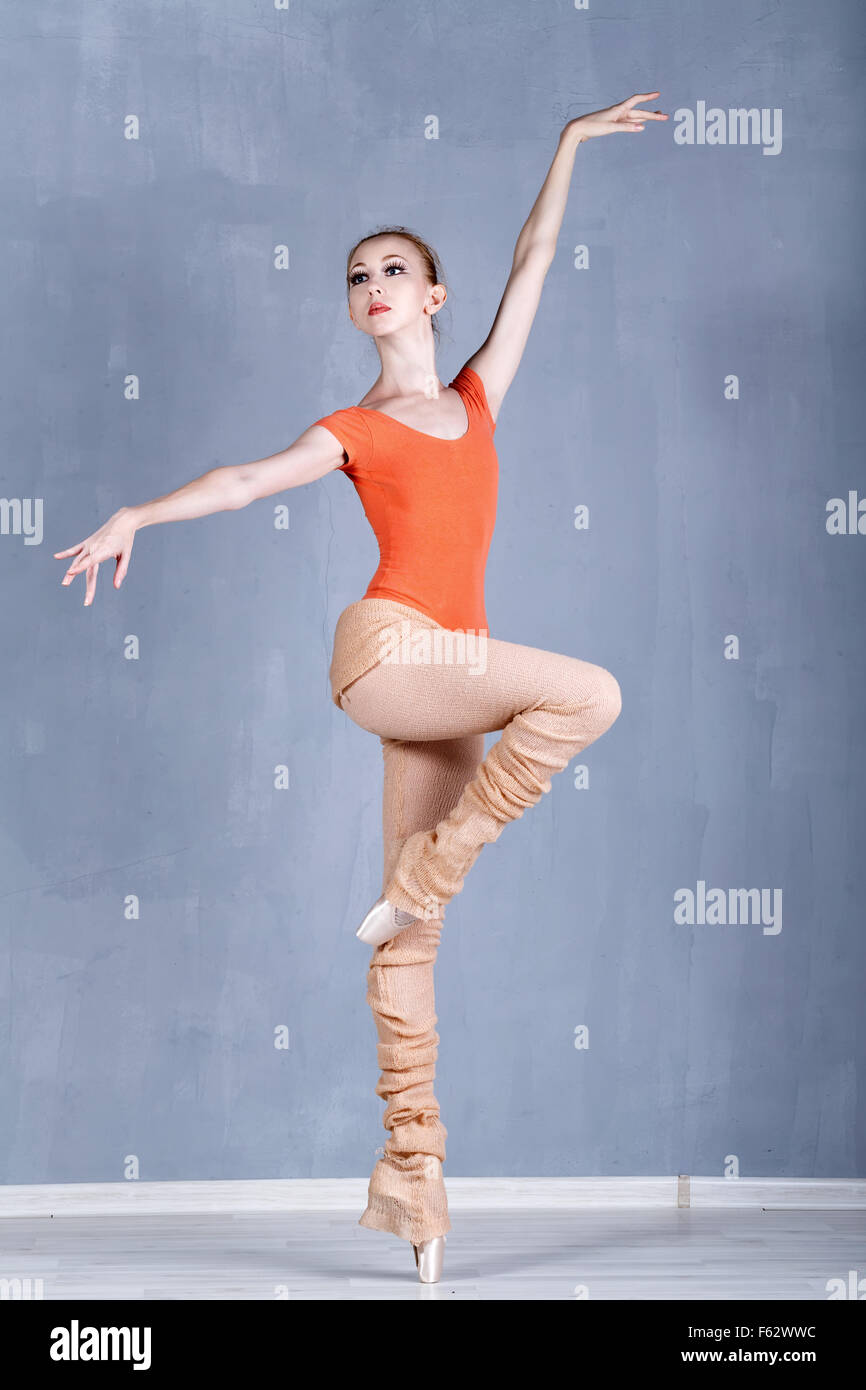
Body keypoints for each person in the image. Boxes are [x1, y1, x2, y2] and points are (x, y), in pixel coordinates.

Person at [55, 92, 668, 1285]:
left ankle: (417, 1196)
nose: (371, 284)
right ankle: (422, 884)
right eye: (354, 276)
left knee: (407, 944)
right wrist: (139, 511)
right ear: (351, 309)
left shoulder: (479, 395)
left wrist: (567, 144)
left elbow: (533, 259)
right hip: (387, 653)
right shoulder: (354, 425)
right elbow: (242, 481)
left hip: (447, 683)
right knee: (588, 693)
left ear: (432, 297)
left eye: (393, 269)